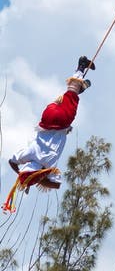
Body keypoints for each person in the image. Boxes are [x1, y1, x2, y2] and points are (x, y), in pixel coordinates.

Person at [7, 56, 95, 193]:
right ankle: (79, 87)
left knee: (72, 96)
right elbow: (11, 162)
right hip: (47, 118)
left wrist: (36, 179)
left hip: (61, 122)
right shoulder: (28, 155)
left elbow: (56, 185)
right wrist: (20, 174)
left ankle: (81, 66)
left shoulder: (48, 165)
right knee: (70, 95)